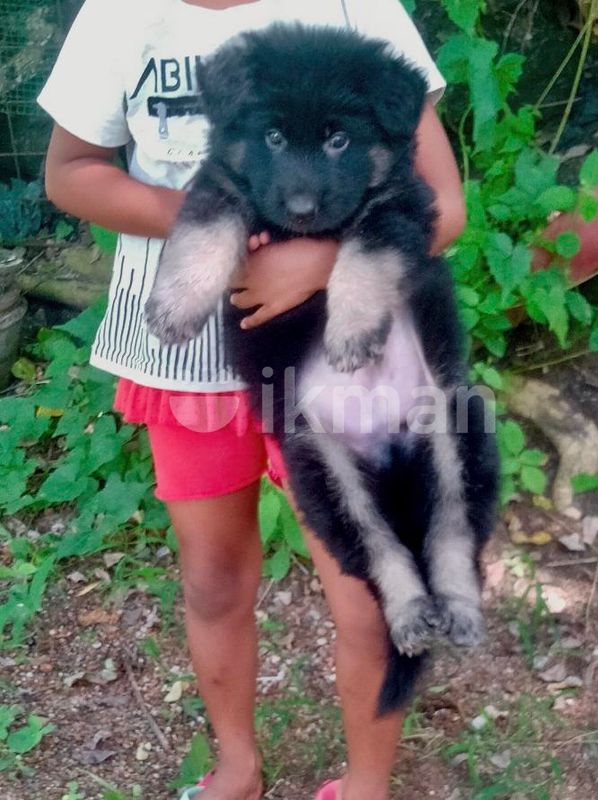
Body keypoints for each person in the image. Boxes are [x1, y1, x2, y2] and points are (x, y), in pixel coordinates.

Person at [40, 1, 466, 798]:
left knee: (369, 588)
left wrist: (319, 260)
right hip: (188, 366)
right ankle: (236, 766)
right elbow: (69, 172)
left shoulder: (354, 9)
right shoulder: (120, 15)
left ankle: (367, 784)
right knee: (212, 579)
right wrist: (221, 216)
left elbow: (445, 202)